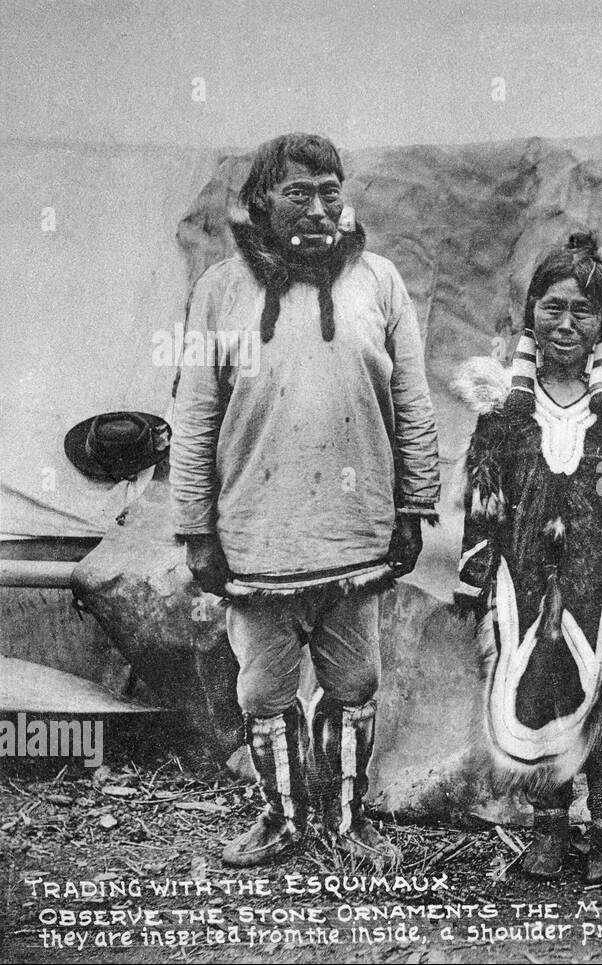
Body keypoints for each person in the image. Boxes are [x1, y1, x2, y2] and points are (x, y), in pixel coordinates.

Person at [171, 133, 441, 868]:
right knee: (264, 687)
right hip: (259, 534)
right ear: (262, 201)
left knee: (356, 681)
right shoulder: (219, 290)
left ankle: (346, 822)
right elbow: (196, 412)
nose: (319, 208)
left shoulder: (379, 282)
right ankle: (284, 818)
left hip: (355, 532)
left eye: (331, 191)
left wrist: (414, 505)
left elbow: (413, 403)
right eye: (299, 193)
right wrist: (195, 527)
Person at [453, 231, 602, 883]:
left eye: (582, 311)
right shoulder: (504, 410)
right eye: (552, 306)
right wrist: (478, 585)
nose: (565, 322)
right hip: (525, 589)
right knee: (536, 699)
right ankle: (549, 826)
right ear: (530, 314)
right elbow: (484, 502)